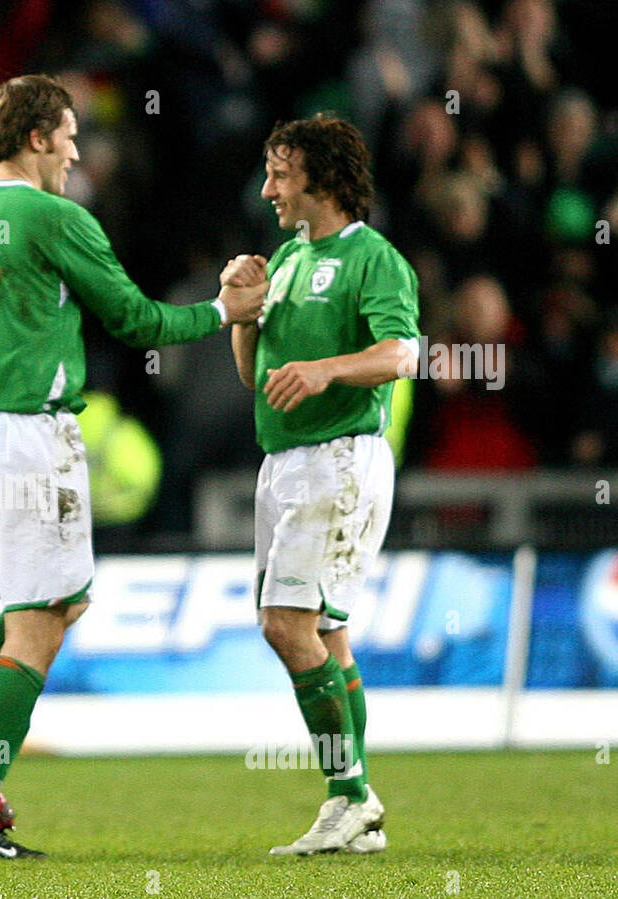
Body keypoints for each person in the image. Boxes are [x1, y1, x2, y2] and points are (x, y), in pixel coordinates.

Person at [0, 74, 268, 859]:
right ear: (34, 137)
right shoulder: (56, 216)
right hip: (29, 429)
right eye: (67, 134)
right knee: (39, 622)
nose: (74, 150)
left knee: (56, 601)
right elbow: (135, 319)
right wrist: (224, 313)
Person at [225, 112, 420, 855]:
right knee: (327, 632)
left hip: (339, 458)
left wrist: (327, 369)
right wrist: (241, 313)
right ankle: (355, 810)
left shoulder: (373, 258)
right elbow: (254, 378)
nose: (268, 188)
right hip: (284, 462)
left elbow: (401, 355)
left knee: (288, 625)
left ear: (323, 179)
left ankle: (350, 794)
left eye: (281, 173)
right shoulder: (286, 259)